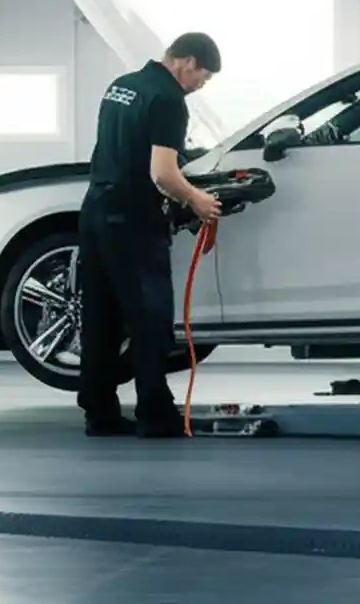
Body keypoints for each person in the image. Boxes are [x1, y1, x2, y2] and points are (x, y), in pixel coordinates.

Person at [77, 32, 224, 438]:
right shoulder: (168, 99)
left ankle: (99, 413)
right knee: (149, 319)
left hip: (95, 210)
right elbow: (162, 173)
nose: (201, 85)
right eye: (204, 76)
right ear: (187, 62)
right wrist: (196, 199)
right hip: (134, 219)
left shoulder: (121, 86)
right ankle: (156, 415)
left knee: (101, 318)